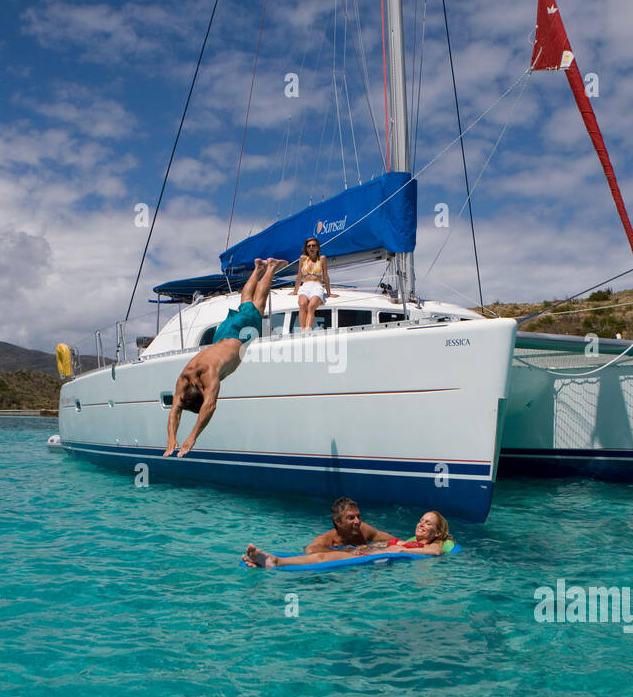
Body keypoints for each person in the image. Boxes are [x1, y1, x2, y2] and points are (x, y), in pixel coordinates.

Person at [164, 258, 284, 457]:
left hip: (238, 336)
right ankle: (257, 269)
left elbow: (209, 406)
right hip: (222, 336)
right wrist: (171, 437)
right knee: (245, 305)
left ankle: (269, 268)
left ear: (201, 392)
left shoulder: (210, 376)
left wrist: (192, 437)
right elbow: (176, 408)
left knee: (258, 305)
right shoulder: (184, 377)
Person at [244, 504, 451, 568]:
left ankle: (276, 561)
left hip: (361, 556)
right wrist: (402, 545)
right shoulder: (407, 541)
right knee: (322, 556)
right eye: (421, 520)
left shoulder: (434, 545)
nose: (421, 524)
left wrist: (401, 548)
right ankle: (273, 560)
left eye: (428, 523)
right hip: (360, 553)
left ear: (438, 532)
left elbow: (437, 550)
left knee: (324, 559)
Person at [289, 237, 335, 331]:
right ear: (306, 249)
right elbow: (299, 275)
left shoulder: (322, 259)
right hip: (305, 286)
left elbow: (325, 276)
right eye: (309, 246)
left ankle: (308, 330)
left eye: (314, 246)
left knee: (311, 306)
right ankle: (303, 330)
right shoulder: (302, 258)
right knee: (302, 304)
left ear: (317, 248)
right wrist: (295, 291)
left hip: (317, 286)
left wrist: (329, 293)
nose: (311, 248)